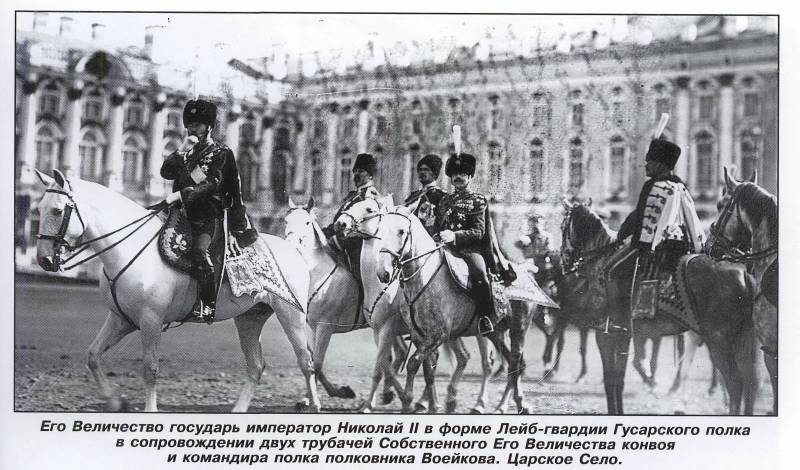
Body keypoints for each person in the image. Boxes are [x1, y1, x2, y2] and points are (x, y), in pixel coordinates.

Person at [156, 99, 256, 322]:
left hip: (208, 216)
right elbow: (166, 172)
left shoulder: (220, 152)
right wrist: (182, 150)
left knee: (201, 252)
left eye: (198, 124)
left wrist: (180, 195)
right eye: (190, 124)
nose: (192, 128)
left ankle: (207, 306)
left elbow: (212, 183)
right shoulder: (187, 152)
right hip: (181, 214)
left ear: (209, 126)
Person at [607, 137, 705, 318]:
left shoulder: (652, 186)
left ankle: (619, 319)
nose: (645, 166)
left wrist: (621, 234)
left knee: (613, 271)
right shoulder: (680, 186)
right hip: (681, 246)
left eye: (649, 162)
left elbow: (639, 216)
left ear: (659, 165)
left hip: (652, 247)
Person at [434, 152, 497, 336]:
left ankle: (485, 318)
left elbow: (479, 232)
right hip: (443, 248)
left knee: (480, 274)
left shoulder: (477, 200)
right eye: (455, 174)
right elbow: (438, 225)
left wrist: (454, 236)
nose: (458, 177)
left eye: (462, 173)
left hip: (468, 250)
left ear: (470, 176)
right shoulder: (445, 200)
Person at [322, 153, 381, 274]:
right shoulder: (352, 197)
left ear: (370, 175)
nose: (356, 175)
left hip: (357, 252)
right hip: (341, 247)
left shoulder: (371, 198)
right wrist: (322, 234)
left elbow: (365, 230)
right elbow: (337, 223)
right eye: (355, 171)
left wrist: (338, 241)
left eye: (361, 171)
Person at [404, 154, 446, 235]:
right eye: (420, 170)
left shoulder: (440, 196)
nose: (422, 172)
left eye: (426, 170)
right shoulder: (413, 195)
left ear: (435, 173)